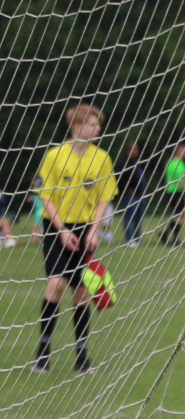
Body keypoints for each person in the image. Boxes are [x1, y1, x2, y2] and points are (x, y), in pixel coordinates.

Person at [34, 102, 117, 375]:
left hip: (86, 228)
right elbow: (45, 196)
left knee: (81, 291)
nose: (98, 129)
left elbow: (104, 198)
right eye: (93, 124)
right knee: (56, 284)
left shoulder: (102, 157)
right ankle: (42, 352)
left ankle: (82, 357)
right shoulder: (54, 155)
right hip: (56, 227)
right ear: (77, 127)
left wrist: (93, 231)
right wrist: (62, 230)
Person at [159, 142, 185, 246]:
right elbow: (182, 182)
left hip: (170, 192)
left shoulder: (169, 162)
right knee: (179, 216)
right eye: (184, 150)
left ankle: (168, 235)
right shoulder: (179, 165)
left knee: (177, 215)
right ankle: (172, 237)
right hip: (176, 192)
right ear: (179, 152)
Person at [114, 141, 145, 246]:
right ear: (128, 150)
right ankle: (129, 239)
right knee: (129, 216)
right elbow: (118, 177)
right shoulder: (123, 162)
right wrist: (127, 188)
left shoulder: (134, 162)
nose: (137, 151)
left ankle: (137, 237)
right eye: (135, 149)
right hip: (129, 195)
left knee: (138, 216)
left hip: (139, 194)